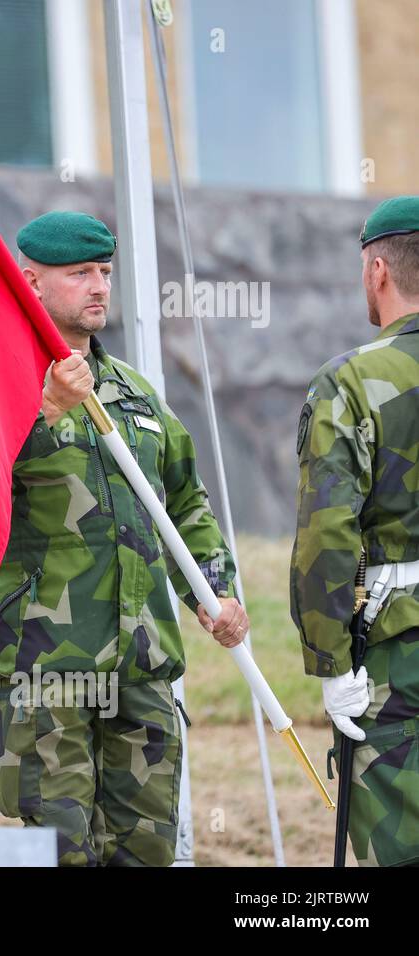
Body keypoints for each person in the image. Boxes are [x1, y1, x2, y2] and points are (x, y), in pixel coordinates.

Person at [0, 210, 248, 866]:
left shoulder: (132, 392)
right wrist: (42, 409)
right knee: (60, 850)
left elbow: (182, 500)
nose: (99, 286)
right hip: (48, 666)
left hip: (143, 662)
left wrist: (216, 593)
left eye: (104, 272)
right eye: (79, 275)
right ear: (31, 281)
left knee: (147, 849)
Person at [291, 195, 419, 867]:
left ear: (377, 271)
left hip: (399, 657)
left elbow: (327, 532)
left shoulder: (352, 381)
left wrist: (331, 660)